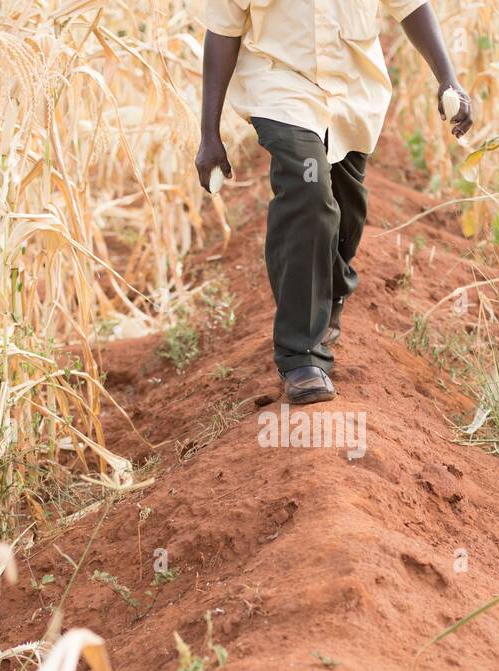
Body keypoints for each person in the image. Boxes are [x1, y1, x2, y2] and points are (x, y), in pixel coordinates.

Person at [195, 0, 473, 404]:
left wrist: (448, 77)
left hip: (352, 97)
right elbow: (222, 30)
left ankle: (333, 288)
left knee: (346, 208)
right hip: (281, 89)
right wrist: (209, 133)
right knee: (308, 193)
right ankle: (300, 355)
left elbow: (412, 7)